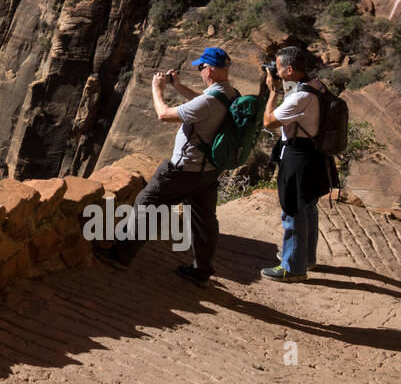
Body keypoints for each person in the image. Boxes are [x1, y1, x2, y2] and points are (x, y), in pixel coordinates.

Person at [93, 47, 239, 286]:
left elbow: (164, 114)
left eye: (201, 67)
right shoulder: (230, 93)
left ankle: (120, 256)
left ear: (210, 69)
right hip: (209, 171)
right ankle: (201, 271)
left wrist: (157, 89)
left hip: (183, 170)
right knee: (205, 221)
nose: (200, 71)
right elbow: (201, 102)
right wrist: (177, 86)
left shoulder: (211, 100)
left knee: (146, 204)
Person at [261, 46, 331, 282]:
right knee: (308, 208)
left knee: (293, 211)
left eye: (279, 69)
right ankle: (305, 258)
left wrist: (271, 92)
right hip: (314, 155)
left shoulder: (302, 96)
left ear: (290, 69)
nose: (277, 73)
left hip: (298, 157)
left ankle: (292, 267)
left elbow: (269, 122)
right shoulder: (316, 86)